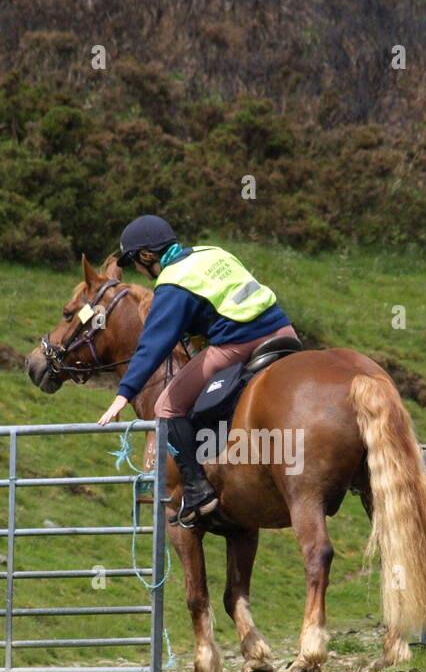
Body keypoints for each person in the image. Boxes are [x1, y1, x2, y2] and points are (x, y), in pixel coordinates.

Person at [96, 215, 298, 525]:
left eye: (135, 260)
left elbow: (153, 346)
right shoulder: (212, 252)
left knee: (166, 407)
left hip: (239, 343)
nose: (137, 268)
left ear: (148, 256)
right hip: (284, 332)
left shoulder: (173, 283)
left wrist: (123, 395)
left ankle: (198, 490)